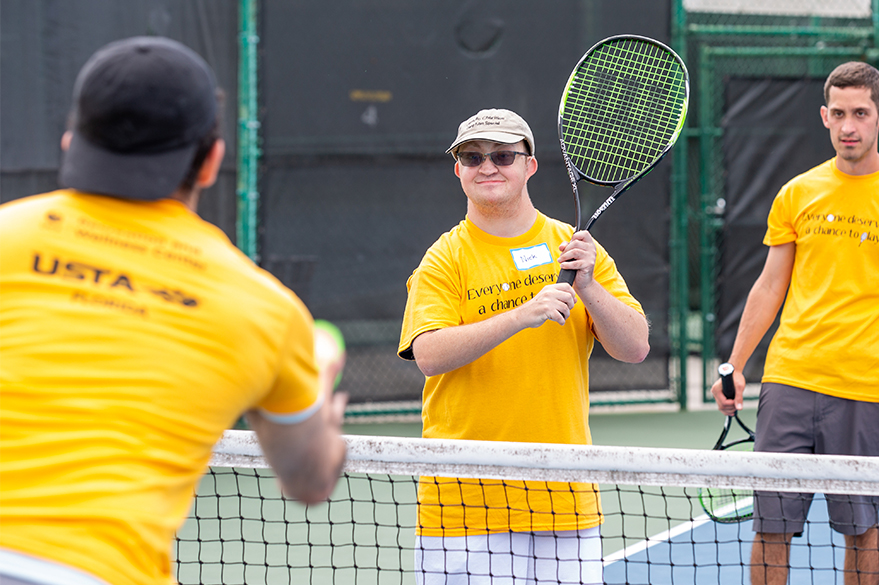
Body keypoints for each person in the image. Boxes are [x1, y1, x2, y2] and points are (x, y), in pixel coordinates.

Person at [0, 37, 348, 585]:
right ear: (211, 162)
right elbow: (310, 479)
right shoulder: (264, 310)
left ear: (71, 142)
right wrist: (322, 382)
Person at [712, 61, 879, 585]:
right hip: (789, 380)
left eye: (861, 113)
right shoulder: (797, 193)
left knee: (861, 528)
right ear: (824, 116)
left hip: (866, 388)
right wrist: (736, 363)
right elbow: (769, 286)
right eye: (839, 113)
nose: (850, 125)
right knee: (770, 527)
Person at [398, 108, 649, 584]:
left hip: (562, 494)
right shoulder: (443, 260)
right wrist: (521, 315)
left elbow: (634, 347)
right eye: (472, 157)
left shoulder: (575, 249)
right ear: (458, 171)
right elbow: (428, 355)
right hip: (465, 504)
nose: (487, 166)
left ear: (530, 165)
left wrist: (590, 288)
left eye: (503, 155)